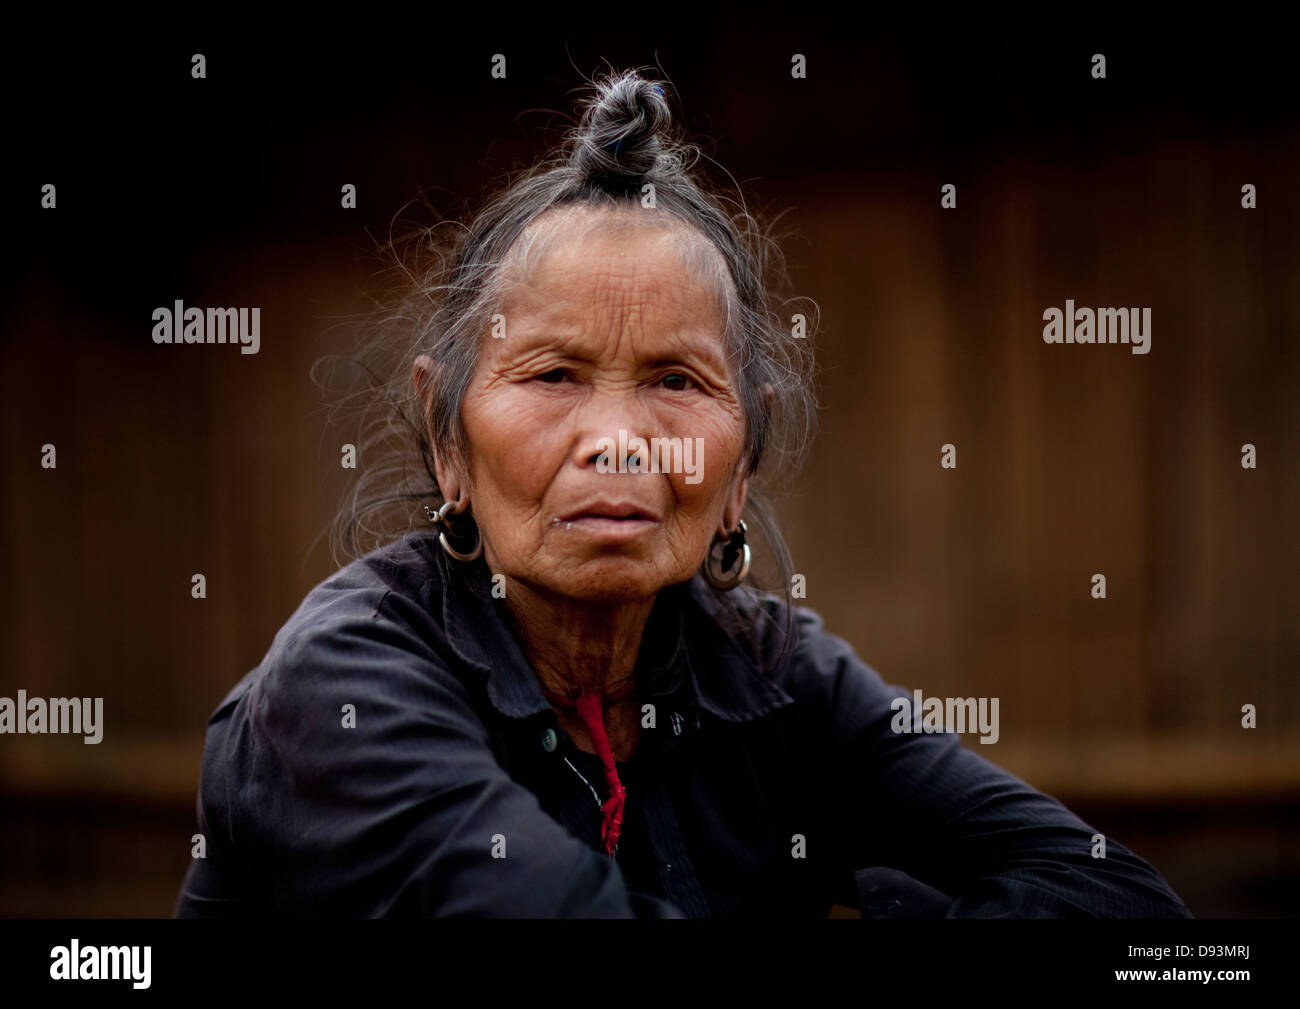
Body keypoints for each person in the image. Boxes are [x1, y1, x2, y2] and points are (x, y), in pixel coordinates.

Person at [174, 69, 1191, 919]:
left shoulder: (774, 678)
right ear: (449, 442)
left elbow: (1129, 910)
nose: (618, 446)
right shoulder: (344, 679)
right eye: (552, 376)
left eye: (676, 381)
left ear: (740, 462)